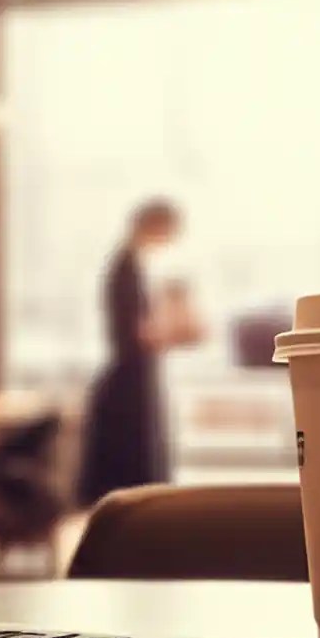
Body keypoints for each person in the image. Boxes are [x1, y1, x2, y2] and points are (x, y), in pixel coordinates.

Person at [78, 199, 184, 506]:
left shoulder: (127, 265)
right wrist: (175, 332)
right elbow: (136, 332)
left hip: (132, 373)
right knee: (131, 467)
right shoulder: (126, 268)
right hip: (130, 377)